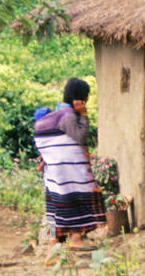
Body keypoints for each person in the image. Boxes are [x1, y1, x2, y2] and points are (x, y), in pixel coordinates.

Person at [34, 77, 104, 253]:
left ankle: (51, 249)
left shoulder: (48, 117)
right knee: (77, 206)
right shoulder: (68, 116)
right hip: (69, 175)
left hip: (52, 175)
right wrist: (84, 115)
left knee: (52, 213)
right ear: (79, 98)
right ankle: (76, 238)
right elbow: (80, 137)